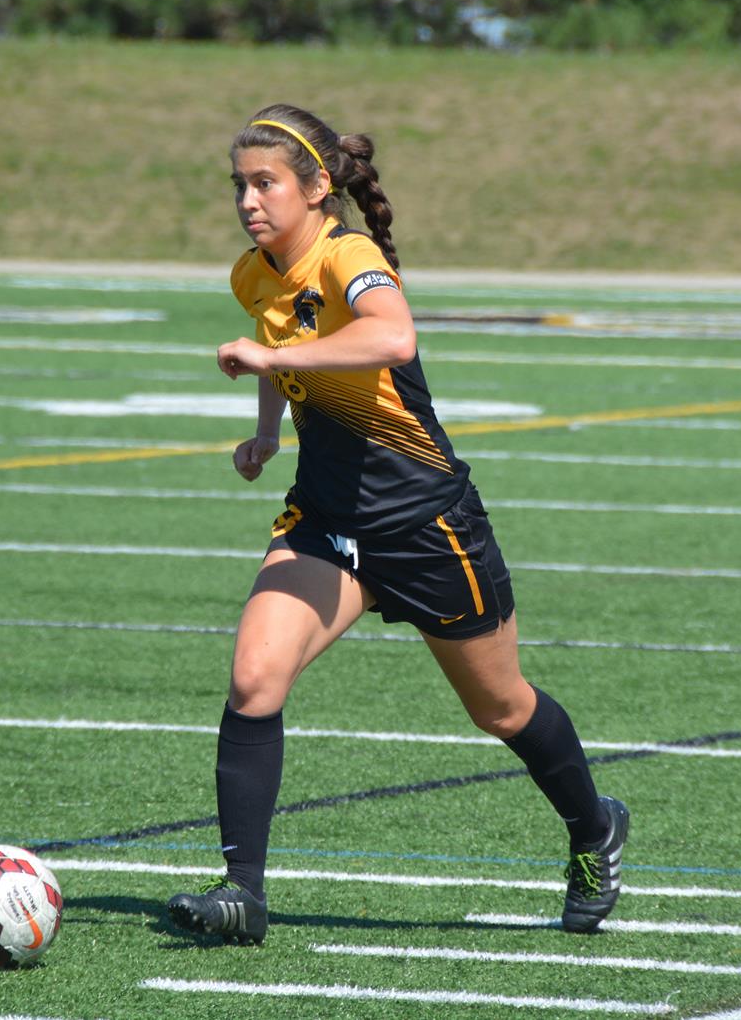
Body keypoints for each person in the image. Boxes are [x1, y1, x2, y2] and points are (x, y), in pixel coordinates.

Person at [166, 103, 628, 946]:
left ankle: (594, 826)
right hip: (326, 519)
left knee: (502, 709)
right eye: (239, 183)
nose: (247, 200)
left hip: (424, 522)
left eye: (264, 182)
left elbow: (393, 335)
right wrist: (269, 430)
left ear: (316, 187)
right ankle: (243, 892)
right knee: (254, 678)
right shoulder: (255, 271)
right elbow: (279, 329)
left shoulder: (352, 255)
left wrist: (273, 361)